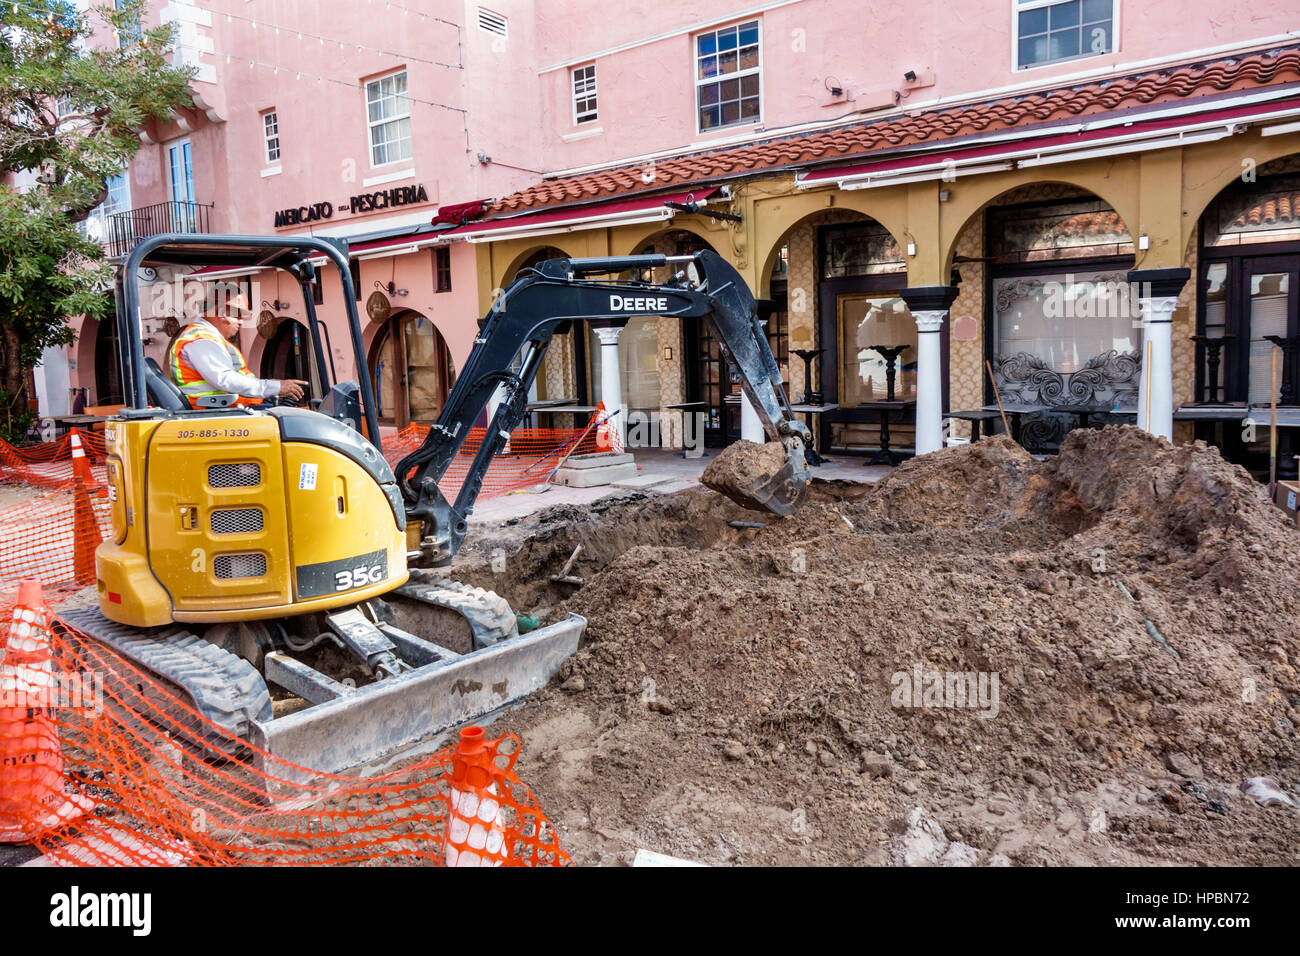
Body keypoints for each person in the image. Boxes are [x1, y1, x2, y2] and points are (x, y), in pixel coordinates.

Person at [169, 291, 308, 408]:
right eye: (237, 316)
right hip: (214, 414)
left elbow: (238, 377)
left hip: (224, 410)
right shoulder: (201, 340)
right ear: (222, 313)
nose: (241, 321)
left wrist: (271, 388)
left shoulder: (212, 339)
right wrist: (274, 387)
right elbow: (224, 379)